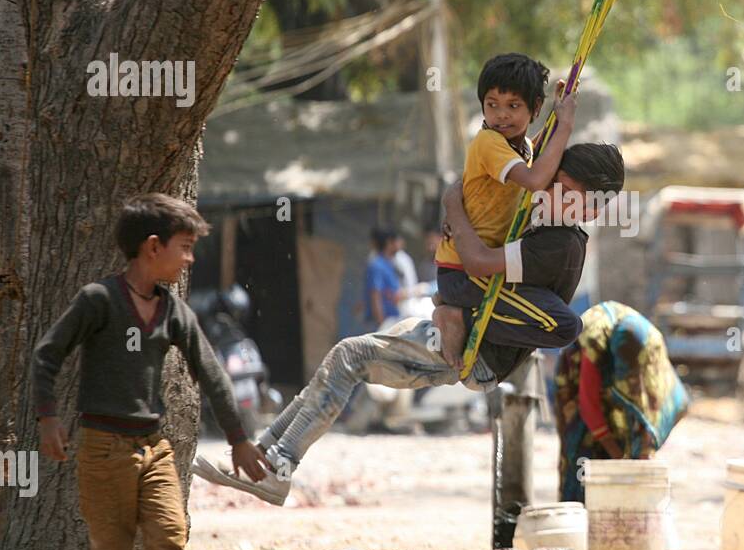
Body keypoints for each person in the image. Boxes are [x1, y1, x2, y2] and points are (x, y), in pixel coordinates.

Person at [193, 143, 625, 506]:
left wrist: (454, 215)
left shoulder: (560, 243)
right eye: (551, 181)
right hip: (460, 330)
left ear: (590, 205)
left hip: (473, 353)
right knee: (341, 357)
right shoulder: (542, 220)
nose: (547, 190)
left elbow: (479, 265)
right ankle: (265, 456)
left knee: (351, 355)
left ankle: (278, 467)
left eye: (562, 188)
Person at [32, 194, 267, 550]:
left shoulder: (173, 310)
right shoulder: (98, 299)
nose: (190, 259)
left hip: (154, 449)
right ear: (153, 246)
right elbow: (47, 354)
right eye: (185, 247)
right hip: (104, 452)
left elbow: (212, 374)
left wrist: (239, 439)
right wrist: (48, 418)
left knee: (170, 541)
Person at [430, 53, 579, 368]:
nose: (501, 115)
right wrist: (565, 126)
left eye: (513, 106)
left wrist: (557, 110)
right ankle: (458, 316)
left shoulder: (519, 145)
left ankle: (457, 308)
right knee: (563, 326)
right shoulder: (489, 142)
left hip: (471, 271)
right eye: (492, 104)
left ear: (533, 109)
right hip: (464, 274)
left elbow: (538, 151)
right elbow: (536, 179)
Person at [553, 301, 689, 502]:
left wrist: (643, 450)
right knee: (584, 461)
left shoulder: (648, 342)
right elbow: (589, 406)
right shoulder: (595, 343)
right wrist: (618, 457)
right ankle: (586, 517)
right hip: (581, 399)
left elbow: (651, 405)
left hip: (614, 386)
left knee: (635, 454)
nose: (631, 382)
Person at [364, 227, 403, 331]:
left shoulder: (389, 264)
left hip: (391, 323)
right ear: (389, 243)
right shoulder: (377, 265)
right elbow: (375, 295)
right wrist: (382, 327)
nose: (400, 243)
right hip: (380, 325)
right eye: (396, 241)